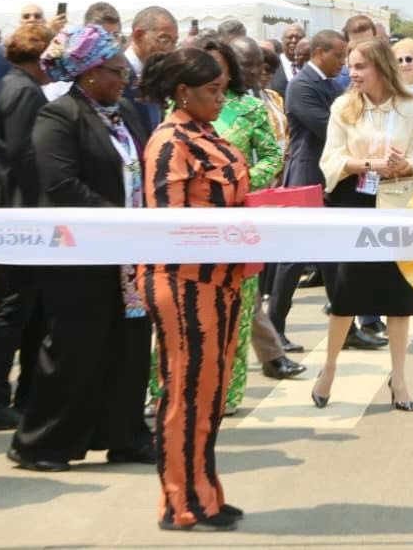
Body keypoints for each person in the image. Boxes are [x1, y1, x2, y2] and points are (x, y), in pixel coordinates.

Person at [7, 24, 154, 473]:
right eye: (115, 71)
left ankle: (123, 436)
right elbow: (61, 184)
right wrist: (121, 219)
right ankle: (41, 444)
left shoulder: (124, 111)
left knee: (129, 346)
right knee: (75, 348)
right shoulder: (59, 116)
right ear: (89, 74)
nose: (124, 79)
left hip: (129, 257)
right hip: (83, 254)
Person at [138, 47, 251, 532]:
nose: (221, 98)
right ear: (183, 93)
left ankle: (206, 490)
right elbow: (170, 221)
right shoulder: (168, 142)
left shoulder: (205, 133)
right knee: (185, 391)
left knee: (212, 391)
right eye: (212, 91)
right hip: (183, 282)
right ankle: (181, 502)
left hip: (221, 280)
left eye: (223, 89)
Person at [310, 40, 413, 411]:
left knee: (398, 297)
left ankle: (400, 377)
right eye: (351, 66)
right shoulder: (343, 107)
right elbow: (330, 159)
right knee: (345, 294)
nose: (354, 74)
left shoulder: (410, 109)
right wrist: (366, 165)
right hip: (353, 205)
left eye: (360, 66)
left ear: (380, 66)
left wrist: (402, 166)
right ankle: (328, 369)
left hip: (397, 207)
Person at [196, 37, 296, 403]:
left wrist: (236, 184)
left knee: (239, 311)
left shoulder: (251, 108)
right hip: (190, 225)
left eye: (218, 67)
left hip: (239, 221)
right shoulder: (178, 106)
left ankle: (228, 394)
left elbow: (273, 157)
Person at [271, 31, 377, 349]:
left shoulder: (331, 84)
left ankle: (345, 325)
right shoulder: (302, 86)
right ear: (320, 52)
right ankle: (275, 327)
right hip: (307, 176)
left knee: (334, 256)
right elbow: (327, 126)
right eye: (339, 55)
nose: (343, 63)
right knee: (293, 256)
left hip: (333, 178)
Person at [0, 23, 55, 431]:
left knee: (19, 305)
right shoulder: (23, 91)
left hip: (11, 209)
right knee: (13, 307)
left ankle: (7, 394)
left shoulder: (9, 84)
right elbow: (26, 156)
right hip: (19, 213)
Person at [123, 5, 178, 134]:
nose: (170, 50)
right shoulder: (117, 75)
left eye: (174, 42)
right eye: (164, 40)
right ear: (138, 35)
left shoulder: (159, 76)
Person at [269, 24, 307, 94]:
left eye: (298, 37)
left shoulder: (309, 66)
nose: (294, 40)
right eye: (290, 37)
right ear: (282, 39)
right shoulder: (272, 63)